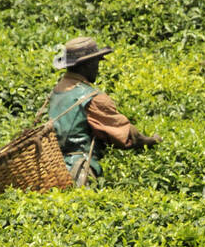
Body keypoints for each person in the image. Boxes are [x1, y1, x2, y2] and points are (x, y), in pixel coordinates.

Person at [48, 37, 160, 186]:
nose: (98, 67)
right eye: (96, 62)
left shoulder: (56, 92)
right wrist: (152, 141)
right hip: (79, 172)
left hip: (52, 170)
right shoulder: (92, 98)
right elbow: (125, 135)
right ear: (86, 65)